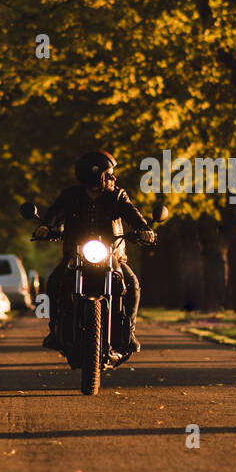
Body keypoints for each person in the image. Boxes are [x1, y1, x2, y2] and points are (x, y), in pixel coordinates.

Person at [36, 150, 155, 354]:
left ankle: (129, 333)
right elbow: (55, 213)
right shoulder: (70, 196)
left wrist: (145, 229)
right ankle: (54, 332)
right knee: (54, 282)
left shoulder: (117, 195)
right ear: (94, 176)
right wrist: (46, 227)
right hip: (76, 256)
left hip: (113, 256)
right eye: (109, 175)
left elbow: (132, 213)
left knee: (132, 284)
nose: (113, 178)